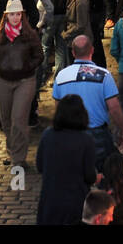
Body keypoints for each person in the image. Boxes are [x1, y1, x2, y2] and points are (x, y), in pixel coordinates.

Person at [52, 35, 123, 168]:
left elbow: (58, 108)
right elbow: (114, 107)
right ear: (92, 50)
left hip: (69, 133)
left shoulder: (61, 76)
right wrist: (122, 130)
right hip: (97, 134)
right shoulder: (104, 76)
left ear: (73, 53)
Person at [0, 0, 43, 169]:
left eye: (18, 14)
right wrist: (0, 67)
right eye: (12, 14)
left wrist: (27, 67)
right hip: (3, 80)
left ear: (22, 15)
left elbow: (39, 55)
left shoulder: (30, 34)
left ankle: (18, 159)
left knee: (18, 119)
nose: (15, 17)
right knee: (6, 120)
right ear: (6, 16)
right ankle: (12, 152)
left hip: (25, 81)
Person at [36, 94, 97, 226]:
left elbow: (40, 166)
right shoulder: (86, 140)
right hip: (76, 203)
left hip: (49, 201)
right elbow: (89, 176)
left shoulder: (47, 135)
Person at [59, 0, 92, 69]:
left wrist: (65, 34)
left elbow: (80, 25)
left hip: (79, 40)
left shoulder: (81, 0)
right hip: (72, 38)